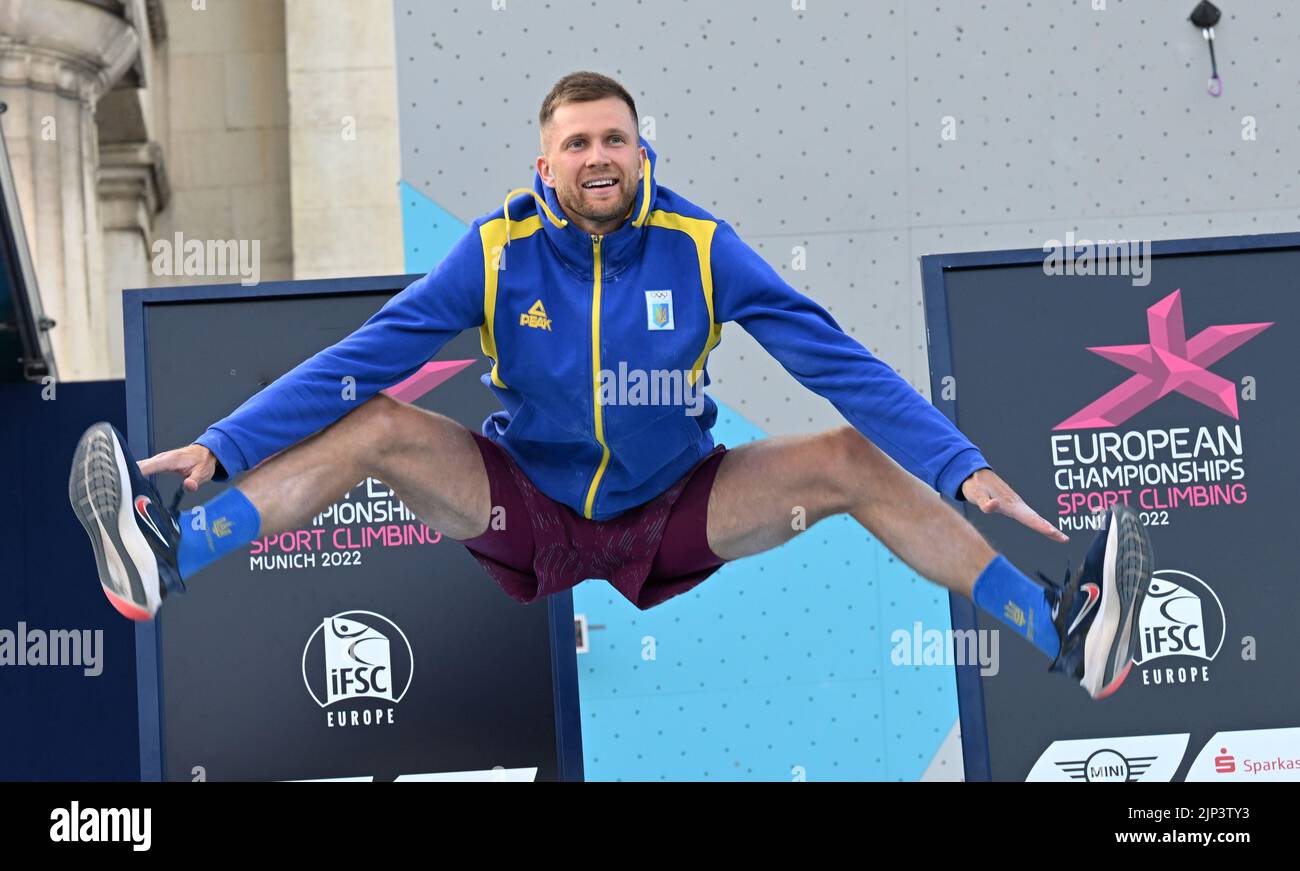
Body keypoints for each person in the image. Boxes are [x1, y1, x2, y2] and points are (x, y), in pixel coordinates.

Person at [68, 71, 1152, 700]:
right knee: (378, 421)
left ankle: (1062, 628)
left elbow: (838, 361)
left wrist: (958, 469)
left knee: (850, 458)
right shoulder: (492, 253)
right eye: (576, 141)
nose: (599, 155)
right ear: (544, 165)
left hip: (671, 509)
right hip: (523, 503)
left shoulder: (701, 245)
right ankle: (168, 555)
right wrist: (224, 447)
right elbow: (365, 353)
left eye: (615, 139)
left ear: (642, 151)